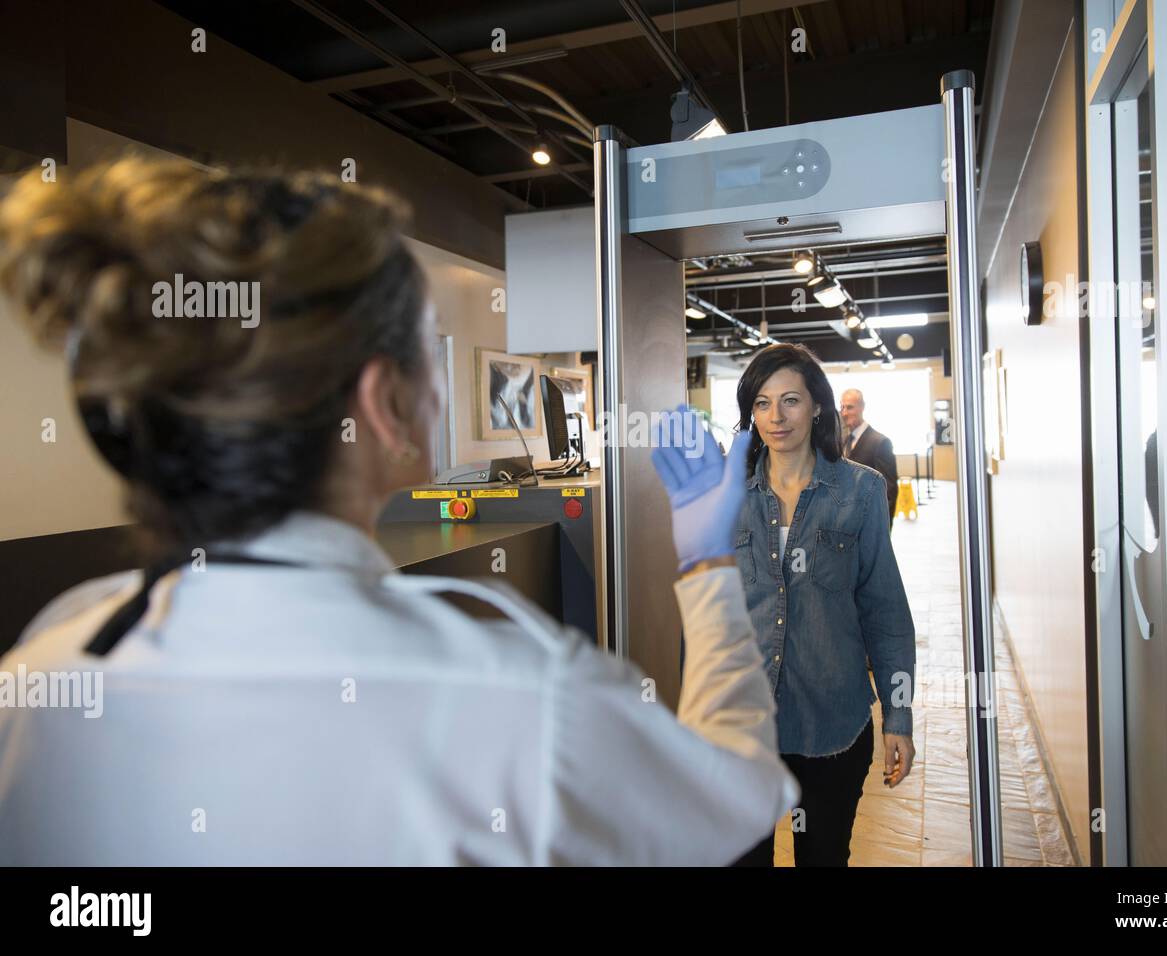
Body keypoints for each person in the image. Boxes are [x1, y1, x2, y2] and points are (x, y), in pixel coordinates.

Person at [0, 157, 798, 865]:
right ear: (384, 401)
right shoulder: (527, 698)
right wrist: (707, 561)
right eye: (427, 353)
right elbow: (740, 794)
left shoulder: (34, 684)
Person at [731, 345, 915, 867]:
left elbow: (886, 613)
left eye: (790, 400)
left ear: (817, 406)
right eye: (763, 404)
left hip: (830, 727)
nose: (776, 417)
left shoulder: (860, 491)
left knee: (823, 858)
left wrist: (898, 716)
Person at [840, 388, 900, 529]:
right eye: (842, 407)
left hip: (870, 524)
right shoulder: (843, 441)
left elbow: (889, 491)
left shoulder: (880, 442)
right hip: (847, 524)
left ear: (862, 407)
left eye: (849, 407)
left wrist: (883, 529)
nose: (844, 413)